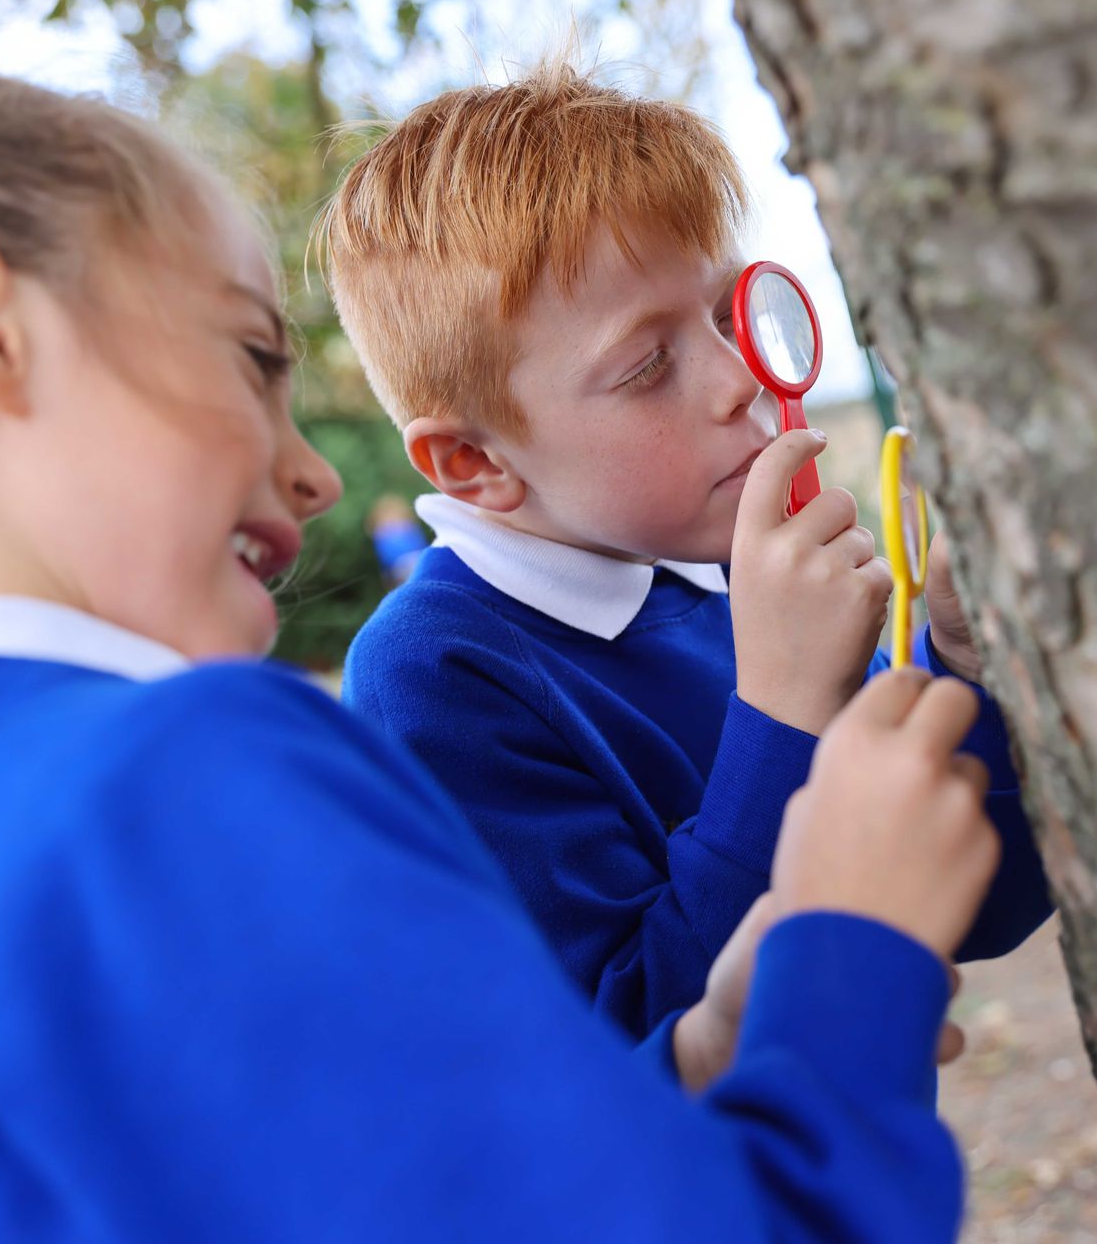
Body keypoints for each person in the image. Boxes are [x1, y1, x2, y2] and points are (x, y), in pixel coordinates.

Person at [0, 44, 1004, 1242]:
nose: (309, 474)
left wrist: (695, 1059)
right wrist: (849, 945)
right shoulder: (171, 779)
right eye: (251, 356)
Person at [324, 61, 1052, 1034]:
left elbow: (976, 901)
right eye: (648, 363)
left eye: (724, 314)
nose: (738, 377)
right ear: (473, 460)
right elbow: (632, 1042)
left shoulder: (713, 566)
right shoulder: (436, 678)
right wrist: (784, 707)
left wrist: (962, 660)